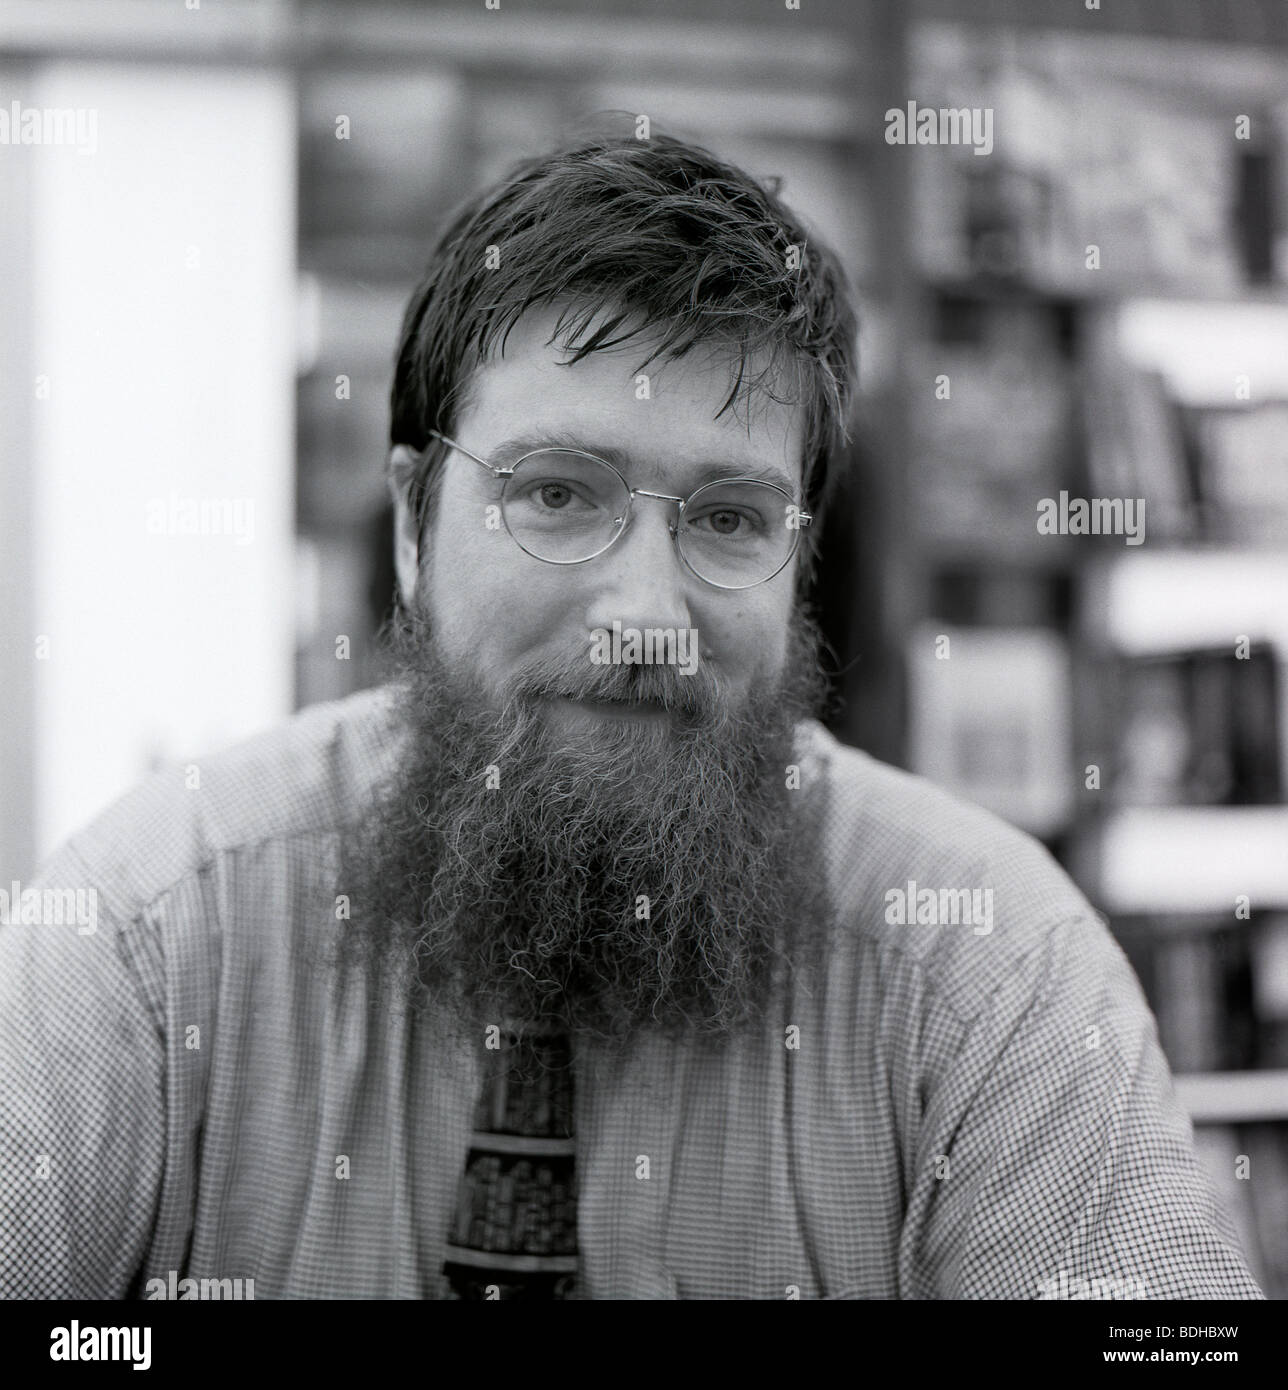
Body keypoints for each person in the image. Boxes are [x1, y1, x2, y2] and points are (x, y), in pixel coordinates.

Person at [0, 129, 1263, 1301]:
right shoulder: (157, 931)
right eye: (556, 494)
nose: (643, 618)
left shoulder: (984, 961)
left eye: (727, 519)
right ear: (407, 526)